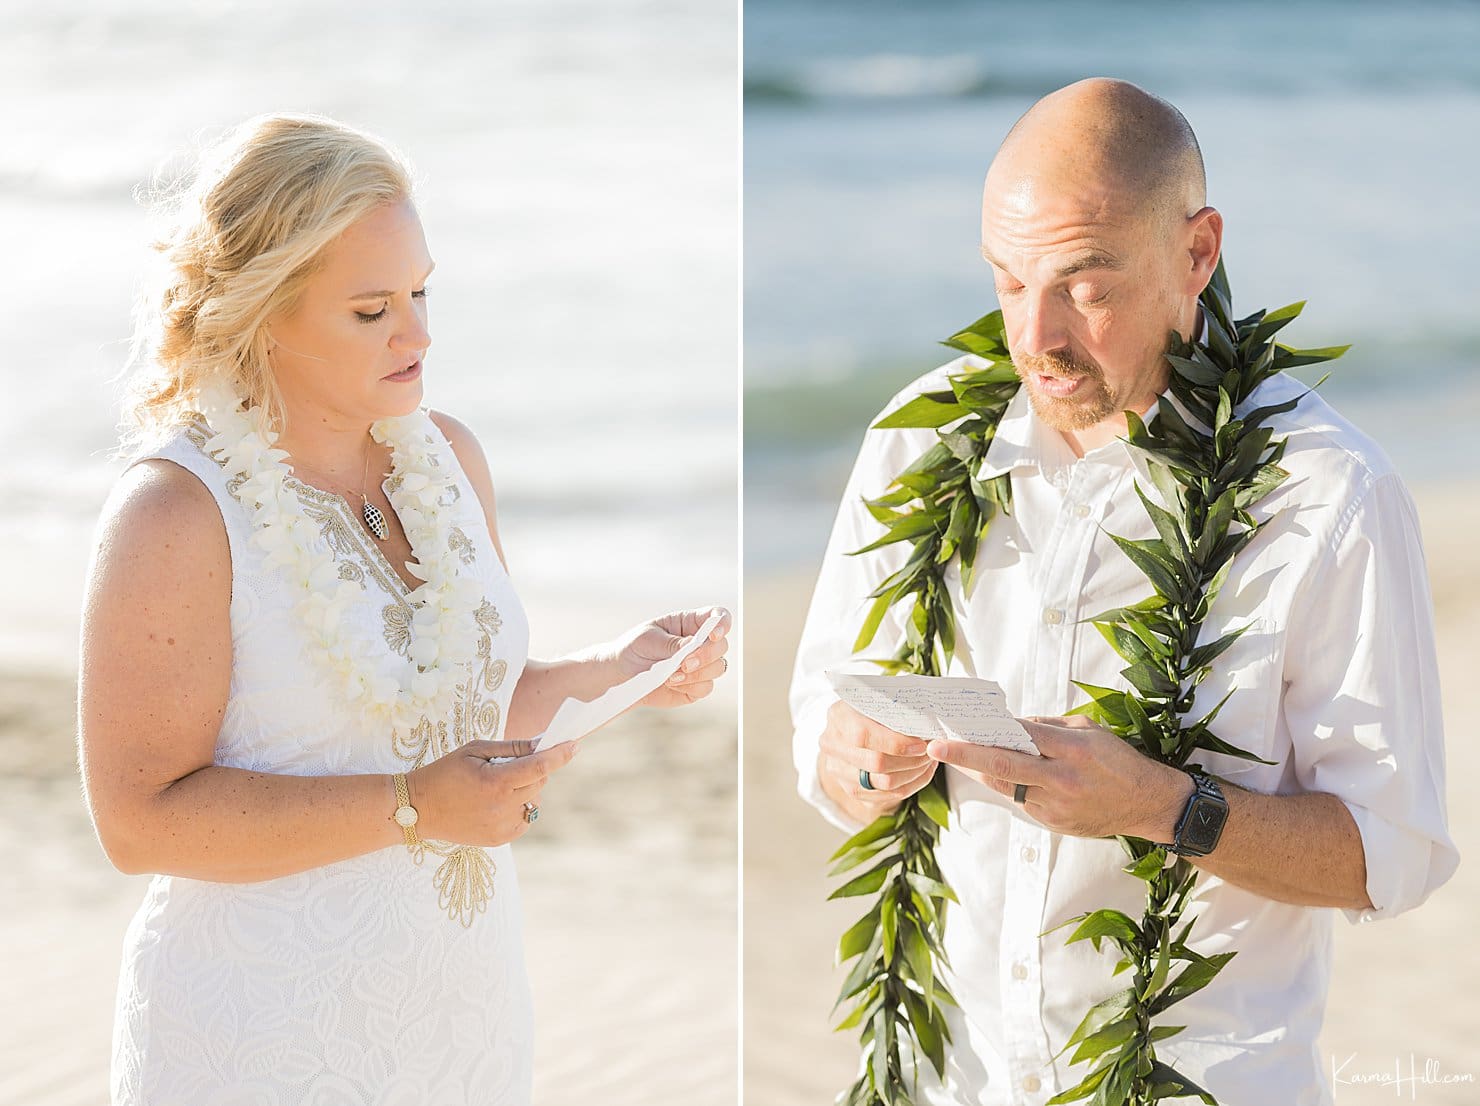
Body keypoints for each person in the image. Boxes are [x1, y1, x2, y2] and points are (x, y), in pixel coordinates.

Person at [789, 78, 1457, 1104]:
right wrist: (848, 757)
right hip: (941, 1079)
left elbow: (1387, 854)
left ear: (1197, 252)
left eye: (1084, 284)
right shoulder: (916, 440)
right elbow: (820, 721)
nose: (1035, 338)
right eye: (1008, 282)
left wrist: (1162, 804)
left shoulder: (1327, 496)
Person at [79, 111, 730, 1106]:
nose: (419, 333)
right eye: (371, 309)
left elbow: (452, 709)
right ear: (261, 309)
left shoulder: (448, 459)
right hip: (255, 1039)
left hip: (460, 1021)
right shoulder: (177, 512)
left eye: (421, 292)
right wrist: (413, 808)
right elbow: (140, 822)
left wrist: (617, 669)